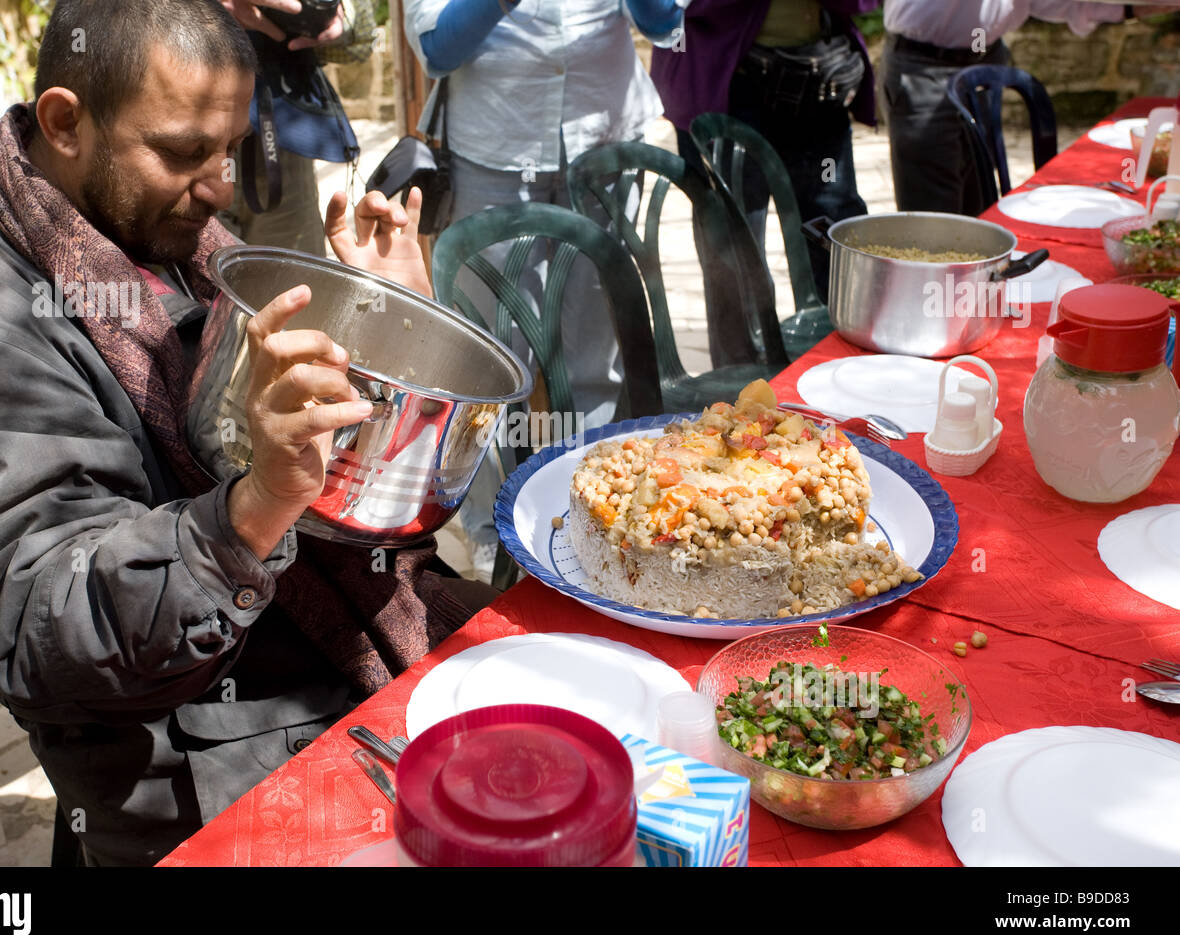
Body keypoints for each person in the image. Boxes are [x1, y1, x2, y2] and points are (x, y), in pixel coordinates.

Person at [0, 0, 492, 866]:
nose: (221, 189)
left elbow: (335, 487)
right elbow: (37, 639)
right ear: (64, 123)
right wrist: (250, 512)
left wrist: (393, 336)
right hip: (204, 756)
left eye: (231, 149)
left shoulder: (145, 225)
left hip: (316, 647)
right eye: (181, 153)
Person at [403, 0, 687, 581]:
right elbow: (437, 51)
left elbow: (666, 25)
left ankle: (583, 517)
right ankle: (487, 533)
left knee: (593, 363)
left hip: (604, 147)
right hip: (495, 156)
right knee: (490, 369)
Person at [650, 0, 879, 311]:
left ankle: (842, 353)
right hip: (725, 91)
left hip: (817, 83)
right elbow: (667, 10)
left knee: (834, 237)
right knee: (734, 250)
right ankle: (752, 358)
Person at [879, 0, 1169, 215]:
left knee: (978, 199)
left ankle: (972, 289)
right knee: (933, 212)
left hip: (983, 58)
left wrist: (1133, 7)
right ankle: (934, 293)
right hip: (922, 66)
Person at [216, 0, 366, 256]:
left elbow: (362, 37)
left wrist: (330, 14)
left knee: (294, 279)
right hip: (174, 123)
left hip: (283, 127)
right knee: (178, 286)